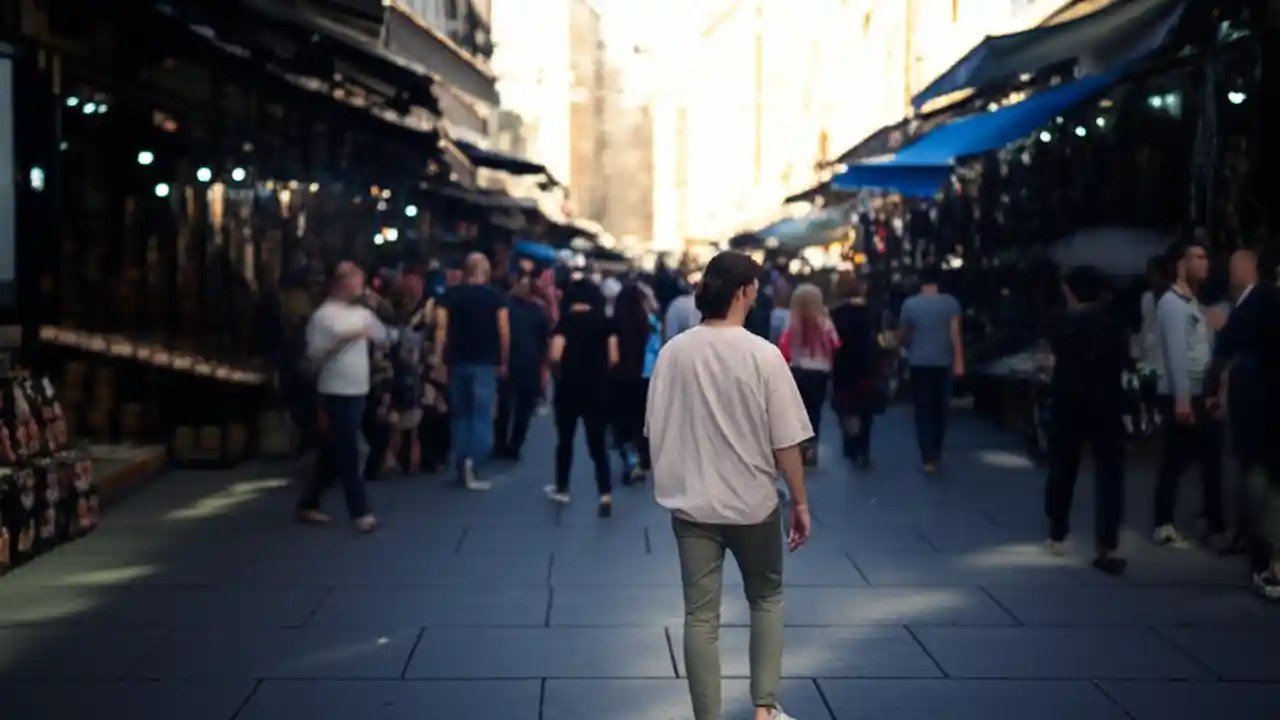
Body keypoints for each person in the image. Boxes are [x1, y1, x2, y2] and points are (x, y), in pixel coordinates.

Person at [647, 251, 812, 720]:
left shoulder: (674, 352)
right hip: (752, 502)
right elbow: (786, 440)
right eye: (754, 287)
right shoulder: (763, 355)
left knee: (700, 617)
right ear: (742, 292)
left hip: (692, 505)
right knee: (766, 598)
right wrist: (800, 501)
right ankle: (764, 709)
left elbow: (654, 425)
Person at [1041, 266, 1130, 575]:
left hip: (1069, 401)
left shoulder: (1061, 323)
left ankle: (1057, 531)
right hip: (1107, 401)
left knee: (1062, 467)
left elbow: (1050, 359)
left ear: (1070, 292)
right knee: (1110, 474)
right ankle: (1107, 542)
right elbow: (1125, 358)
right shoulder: (1114, 323)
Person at [1207, 249, 1278, 596]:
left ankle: (1265, 562)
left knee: (1260, 482)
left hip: (1258, 408)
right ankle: (1268, 563)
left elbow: (1225, 342)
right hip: (1263, 407)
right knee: (1264, 484)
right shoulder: (1264, 300)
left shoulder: (1259, 300)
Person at [297, 261, 385, 533]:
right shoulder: (323, 316)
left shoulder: (362, 313)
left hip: (358, 389)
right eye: (356, 283)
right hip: (335, 391)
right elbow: (313, 356)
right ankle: (359, 511)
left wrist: (377, 311)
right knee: (348, 450)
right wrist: (344, 339)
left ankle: (309, 501)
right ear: (342, 284)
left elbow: (385, 336)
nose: (360, 288)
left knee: (333, 451)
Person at [1153, 239, 1225, 547]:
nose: (1204, 262)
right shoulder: (1171, 304)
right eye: (1197, 256)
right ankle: (1163, 523)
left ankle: (1213, 521)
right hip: (1181, 395)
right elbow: (1176, 354)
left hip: (1201, 392)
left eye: (1205, 256)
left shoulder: (1193, 302)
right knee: (1175, 461)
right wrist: (1182, 400)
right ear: (1181, 264)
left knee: (1211, 461)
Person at [435, 252, 508, 491]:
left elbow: (441, 328)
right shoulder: (496, 297)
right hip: (485, 362)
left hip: (458, 362)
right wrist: (504, 359)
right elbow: (504, 331)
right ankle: (473, 462)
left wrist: (439, 358)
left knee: (461, 414)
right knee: (482, 415)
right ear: (486, 272)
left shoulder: (450, 296)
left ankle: (461, 460)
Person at [545, 279, 618, 516]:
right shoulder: (605, 323)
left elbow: (555, 355)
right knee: (598, 444)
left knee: (565, 440)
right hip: (597, 388)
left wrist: (558, 374)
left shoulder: (565, 323)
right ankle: (605, 493)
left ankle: (562, 487)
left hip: (568, 389)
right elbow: (614, 357)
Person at [899, 268, 964, 474]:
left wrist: (902, 347)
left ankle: (927, 456)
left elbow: (905, 334)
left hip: (918, 362)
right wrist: (959, 362)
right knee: (941, 408)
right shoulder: (951, 303)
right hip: (943, 362)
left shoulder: (910, 304)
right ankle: (937, 449)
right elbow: (955, 335)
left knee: (923, 409)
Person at [779, 283, 839, 466]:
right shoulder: (825, 323)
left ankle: (800, 445)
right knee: (815, 410)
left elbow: (783, 345)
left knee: (798, 410)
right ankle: (812, 446)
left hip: (796, 370)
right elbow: (835, 344)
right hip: (819, 371)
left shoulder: (791, 322)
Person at [494, 270, 550, 462]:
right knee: (518, 408)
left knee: (509, 406)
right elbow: (544, 339)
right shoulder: (537, 310)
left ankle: (505, 443)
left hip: (516, 361)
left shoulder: (508, 306)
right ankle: (512, 444)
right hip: (525, 362)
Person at [830, 275, 883, 469]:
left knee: (847, 407)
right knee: (866, 409)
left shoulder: (836, 313)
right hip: (868, 365)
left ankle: (851, 444)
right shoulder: (874, 312)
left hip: (843, 365)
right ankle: (864, 448)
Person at [612, 282, 661, 483]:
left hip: (622, 377)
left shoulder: (615, 324)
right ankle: (644, 459)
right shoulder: (650, 324)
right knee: (644, 420)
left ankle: (630, 459)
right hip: (647, 376)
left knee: (625, 420)